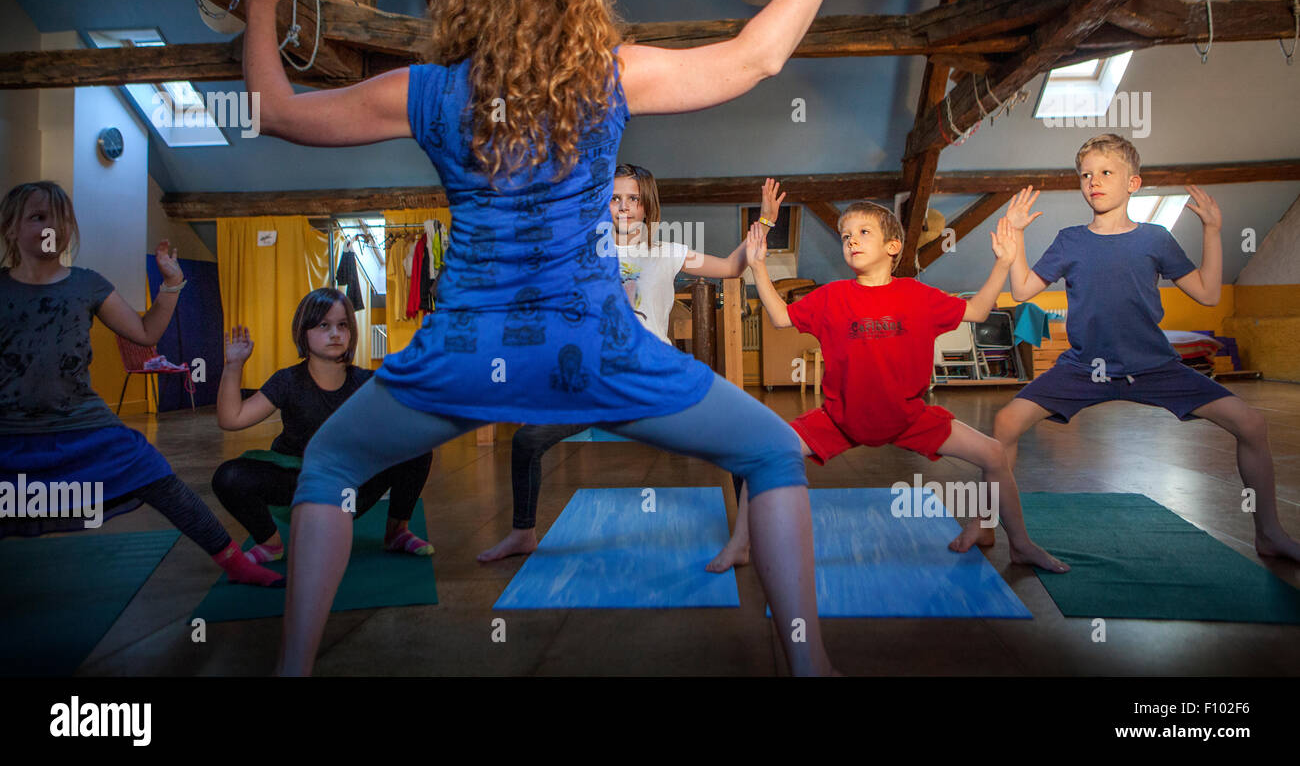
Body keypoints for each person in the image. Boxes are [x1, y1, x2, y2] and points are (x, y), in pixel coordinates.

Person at [242, 0, 843, 676]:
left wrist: (264, 2)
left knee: (330, 463)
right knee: (774, 452)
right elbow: (756, 57)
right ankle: (811, 670)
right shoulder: (610, 76)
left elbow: (272, 112)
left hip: (460, 357)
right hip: (592, 353)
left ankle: (292, 670)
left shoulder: (424, 90)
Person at [955, 133, 1300, 562]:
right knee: (1005, 423)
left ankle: (1269, 533)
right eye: (1085, 174)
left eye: (1105, 172)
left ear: (1132, 184)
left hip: (1154, 366)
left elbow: (1210, 293)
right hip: (1083, 368)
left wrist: (1212, 231)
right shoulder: (1070, 240)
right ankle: (986, 521)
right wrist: (1018, 238)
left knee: (1251, 424)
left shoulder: (1155, 239)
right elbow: (1023, 289)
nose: (1093, 181)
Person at [711, 197, 1067, 573]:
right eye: (846, 235)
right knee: (764, 454)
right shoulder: (831, 296)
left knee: (995, 455)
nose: (852, 241)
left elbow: (978, 311)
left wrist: (1003, 262)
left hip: (909, 416)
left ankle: (1020, 544)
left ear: (892, 246)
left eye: (864, 233)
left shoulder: (918, 295)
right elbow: (782, 318)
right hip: (839, 418)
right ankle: (740, 545)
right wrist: (759, 266)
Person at [477, 168, 783, 563]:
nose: (623, 206)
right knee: (526, 441)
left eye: (632, 199)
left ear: (647, 206)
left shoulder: (668, 251)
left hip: (654, 376)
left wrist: (765, 221)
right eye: (614, 198)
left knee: (740, 436)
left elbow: (730, 266)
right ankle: (523, 533)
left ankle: (747, 539)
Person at [0, 181, 283, 587]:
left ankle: (236, 563)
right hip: (10, 432)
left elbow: (147, 333)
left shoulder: (87, 284)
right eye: (38, 218)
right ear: (11, 228)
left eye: (60, 219)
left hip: (82, 425)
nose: (52, 228)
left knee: (156, 474)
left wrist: (171, 285)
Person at [213, 288, 434, 563]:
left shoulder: (368, 382)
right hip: (300, 486)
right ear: (303, 332)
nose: (335, 333)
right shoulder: (288, 381)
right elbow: (231, 419)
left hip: (351, 488)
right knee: (229, 476)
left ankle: (396, 532)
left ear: (352, 332)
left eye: (343, 325)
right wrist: (233, 366)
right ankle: (270, 544)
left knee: (419, 447)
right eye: (323, 325)